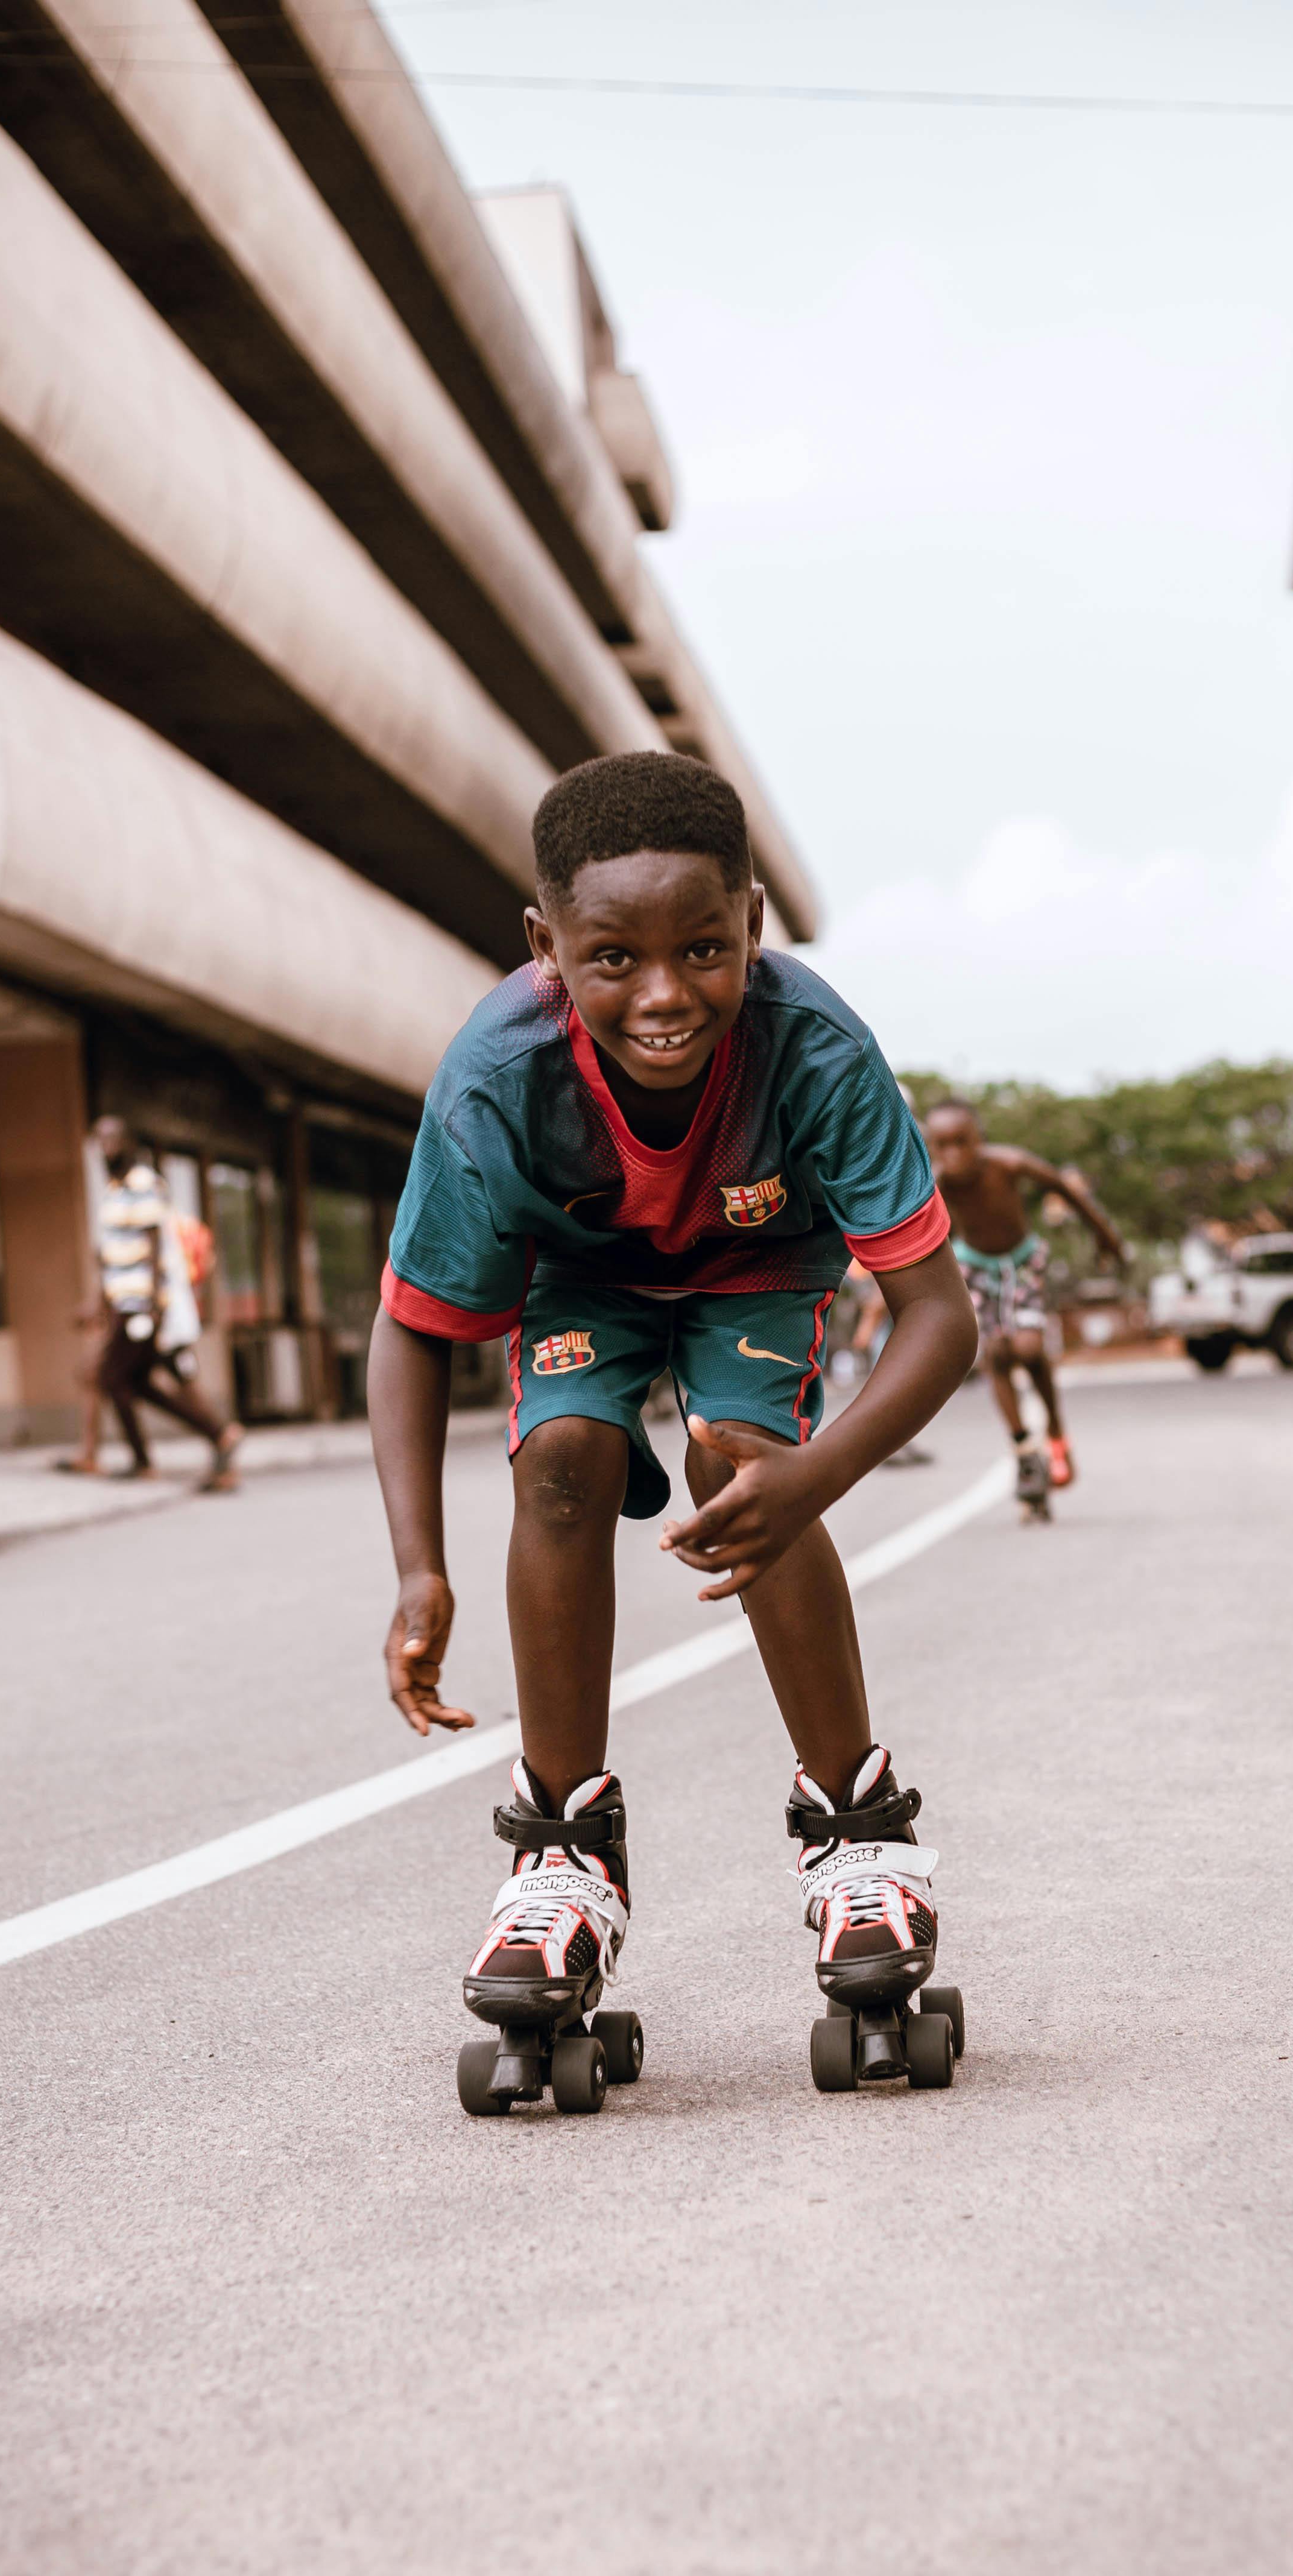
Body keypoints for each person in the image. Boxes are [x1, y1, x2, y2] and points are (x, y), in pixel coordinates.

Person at [367, 751, 976, 2079]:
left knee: (735, 1454)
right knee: (564, 1460)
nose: (664, 995)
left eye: (705, 948)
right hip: (580, 1278)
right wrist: (420, 1568)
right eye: (613, 959)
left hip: (758, 1269)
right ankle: (563, 1855)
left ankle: (857, 1833)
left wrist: (815, 1475)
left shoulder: (812, 1049)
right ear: (546, 948)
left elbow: (940, 1316)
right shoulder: (497, 1076)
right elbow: (414, 1329)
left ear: (754, 922)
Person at [925, 1099, 1126, 1494]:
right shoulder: (936, 1183)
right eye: (942, 1145)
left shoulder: (1009, 1164)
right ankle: (1023, 1450)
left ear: (978, 1139)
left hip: (1021, 1262)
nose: (953, 1154)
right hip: (975, 1265)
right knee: (997, 1353)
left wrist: (1105, 1235)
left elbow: (1064, 1189)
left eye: (961, 1142)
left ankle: (1055, 1430)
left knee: (1030, 1349)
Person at [87, 1116, 244, 1491]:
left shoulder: (143, 1183)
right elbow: (114, 1254)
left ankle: (153, 1458)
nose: (106, 1148)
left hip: (142, 1306)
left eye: (112, 1140)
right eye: (99, 1141)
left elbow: (155, 1244)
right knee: (135, 1382)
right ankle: (217, 1434)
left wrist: (153, 1304)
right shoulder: (114, 1190)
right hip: (127, 1304)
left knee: (112, 1378)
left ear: (128, 1142)